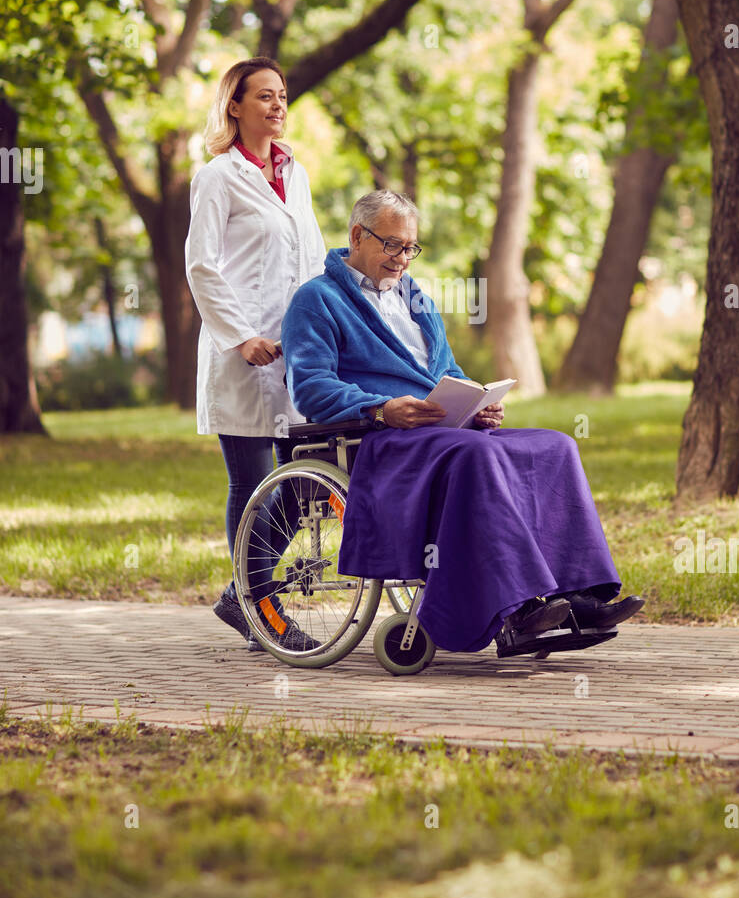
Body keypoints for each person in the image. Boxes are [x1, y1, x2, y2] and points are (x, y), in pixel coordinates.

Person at [282, 189, 644, 655]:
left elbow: (446, 372)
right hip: (381, 439)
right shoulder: (317, 300)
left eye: (410, 247)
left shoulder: (417, 299)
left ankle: (579, 595)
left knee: (554, 445)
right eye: (392, 245)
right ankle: (515, 609)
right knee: (475, 455)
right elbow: (310, 388)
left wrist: (477, 400)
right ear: (357, 235)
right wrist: (380, 408)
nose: (403, 259)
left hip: (443, 433)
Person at [185, 57, 326, 652]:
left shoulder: (295, 173)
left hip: (295, 352)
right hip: (241, 353)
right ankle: (259, 607)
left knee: (310, 479)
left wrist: (330, 329)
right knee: (251, 483)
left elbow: (315, 257)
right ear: (234, 106)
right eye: (262, 96)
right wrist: (241, 336)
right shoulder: (218, 176)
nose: (276, 104)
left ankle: (240, 593)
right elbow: (202, 265)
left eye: (282, 94)